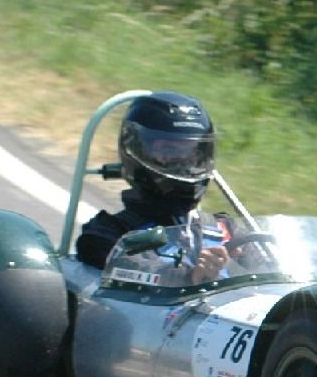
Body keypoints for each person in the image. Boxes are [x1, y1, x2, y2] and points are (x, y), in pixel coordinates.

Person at [75, 91, 227, 278]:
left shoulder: (224, 229)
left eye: (192, 153)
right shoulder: (108, 235)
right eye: (170, 150)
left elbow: (270, 275)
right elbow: (132, 266)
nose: (184, 164)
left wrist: (237, 264)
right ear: (137, 152)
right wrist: (189, 277)